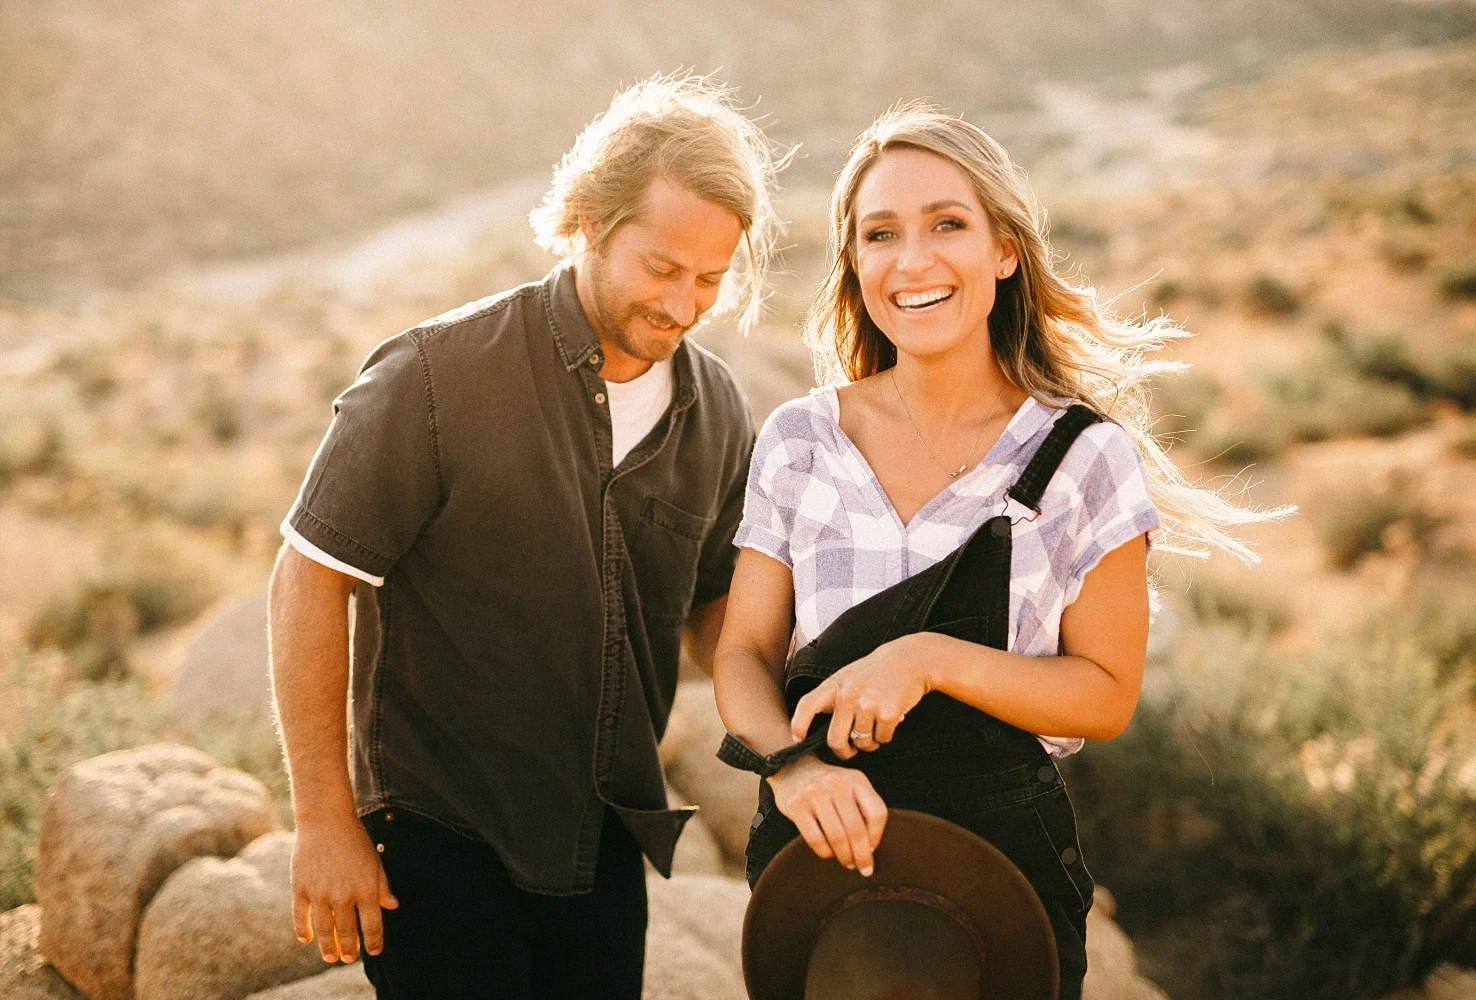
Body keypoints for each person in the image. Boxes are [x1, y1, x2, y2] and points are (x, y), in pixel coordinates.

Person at [712, 104, 1285, 1000]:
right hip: (815, 856)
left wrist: (928, 659)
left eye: (949, 224)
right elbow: (743, 655)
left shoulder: (1082, 457)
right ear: (856, 263)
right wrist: (794, 768)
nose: (914, 260)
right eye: (881, 235)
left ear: (1005, 250)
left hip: (999, 866)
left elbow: (1105, 693)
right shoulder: (799, 440)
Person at [267, 75, 782, 1000]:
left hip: (602, 847)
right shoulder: (434, 376)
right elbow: (310, 577)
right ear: (586, 218)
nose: (684, 303)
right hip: (437, 836)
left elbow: (713, 605)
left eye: (711, 278)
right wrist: (323, 821)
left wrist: (791, 707)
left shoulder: (718, 413)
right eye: (661, 268)